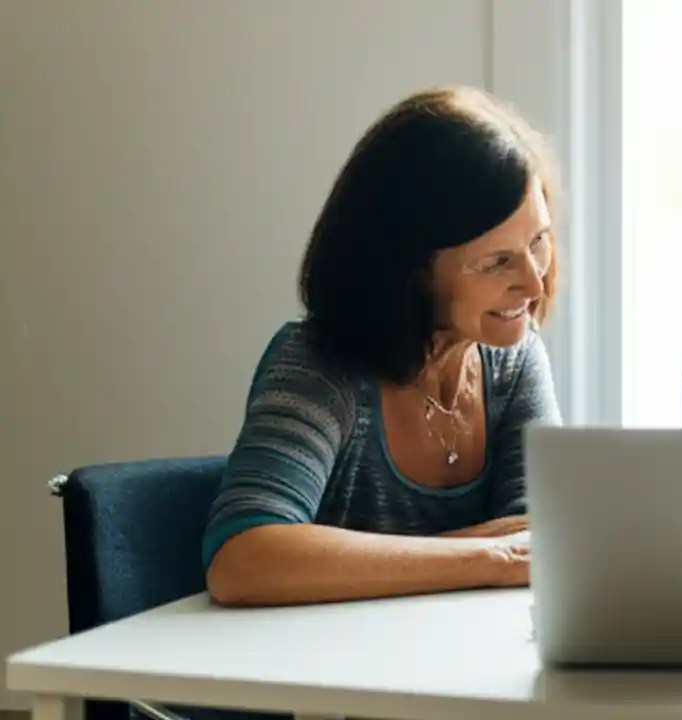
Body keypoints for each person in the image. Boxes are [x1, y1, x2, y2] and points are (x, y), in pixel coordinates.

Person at [203, 87, 561, 606]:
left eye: (539, 242)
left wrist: (494, 554)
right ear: (409, 270)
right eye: (496, 262)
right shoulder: (318, 363)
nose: (533, 284)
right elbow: (243, 559)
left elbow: (544, 544)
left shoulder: (513, 361)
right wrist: (488, 556)